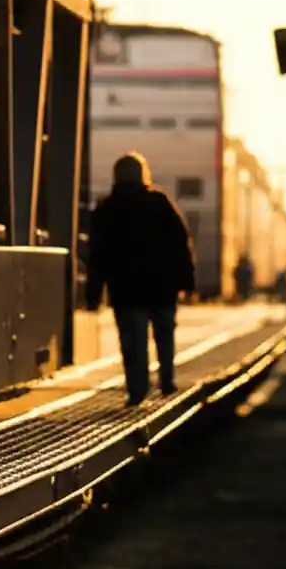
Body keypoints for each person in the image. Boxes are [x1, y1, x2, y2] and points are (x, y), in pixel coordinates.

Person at [85, 152, 196, 406]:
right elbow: (180, 244)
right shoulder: (159, 202)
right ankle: (166, 378)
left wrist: (93, 293)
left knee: (132, 341)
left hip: (126, 290)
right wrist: (187, 282)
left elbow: (97, 256)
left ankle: (137, 389)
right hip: (161, 288)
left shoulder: (106, 208)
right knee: (164, 334)